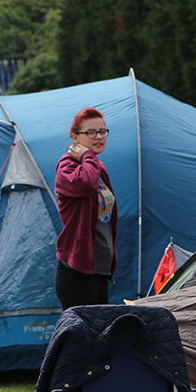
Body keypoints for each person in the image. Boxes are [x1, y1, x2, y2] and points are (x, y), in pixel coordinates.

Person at [54, 107, 116, 308]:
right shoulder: (67, 166)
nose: (98, 137)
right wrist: (88, 156)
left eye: (102, 131)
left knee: (101, 336)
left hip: (98, 270)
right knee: (83, 338)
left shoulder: (96, 166)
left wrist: (90, 159)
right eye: (91, 132)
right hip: (76, 273)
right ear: (75, 137)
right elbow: (85, 184)